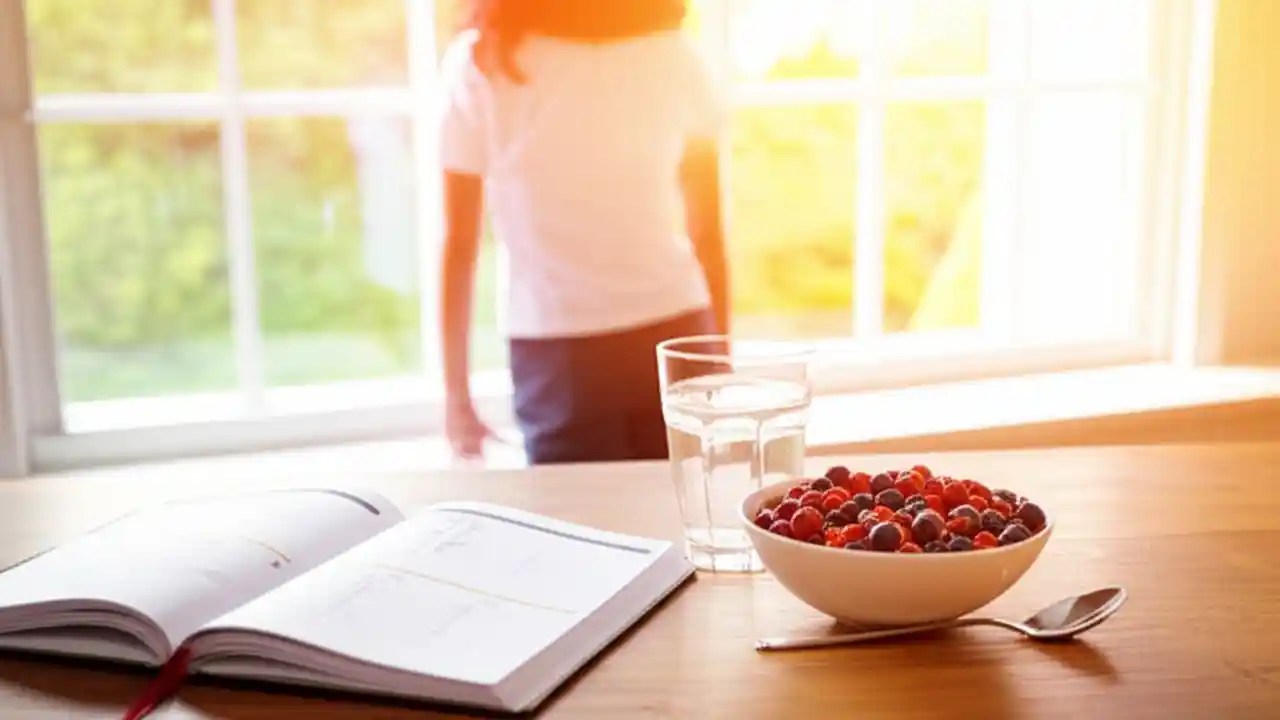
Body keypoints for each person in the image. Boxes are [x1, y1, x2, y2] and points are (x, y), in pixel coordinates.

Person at [438, 0, 728, 464]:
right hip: (676, 327)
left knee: (582, 529)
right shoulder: (676, 56)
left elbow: (459, 244)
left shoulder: (483, 63)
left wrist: (456, 397)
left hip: (558, 349)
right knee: (678, 518)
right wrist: (717, 360)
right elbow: (707, 232)